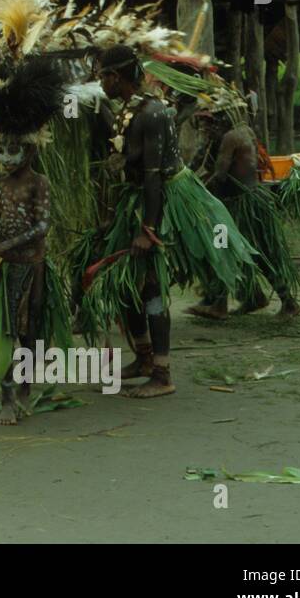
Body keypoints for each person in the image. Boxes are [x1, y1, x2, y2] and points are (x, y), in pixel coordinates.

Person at [79, 46, 256, 399]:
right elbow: (130, 164)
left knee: (150, 284)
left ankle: (163, 373)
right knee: (125, 283)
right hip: (138, 200)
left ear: (117, 77)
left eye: (102, 77)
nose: (100, 83)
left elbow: (153, 176)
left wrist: (149, 229)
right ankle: (143, 359)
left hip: (163, 202)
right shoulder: (130, 111)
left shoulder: (153, 113)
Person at [186, 104, 300, 320]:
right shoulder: (230, 134)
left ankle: (283, 302)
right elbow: (197, 165)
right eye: (205, 123)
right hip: (235, 204)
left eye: (211, 122)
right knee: (228, 250)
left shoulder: (232, 136)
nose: (207, 127)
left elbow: (220, 175)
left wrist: (193, 193)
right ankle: (248, 297)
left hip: (244, 205)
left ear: (224, 119)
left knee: (238, 252)